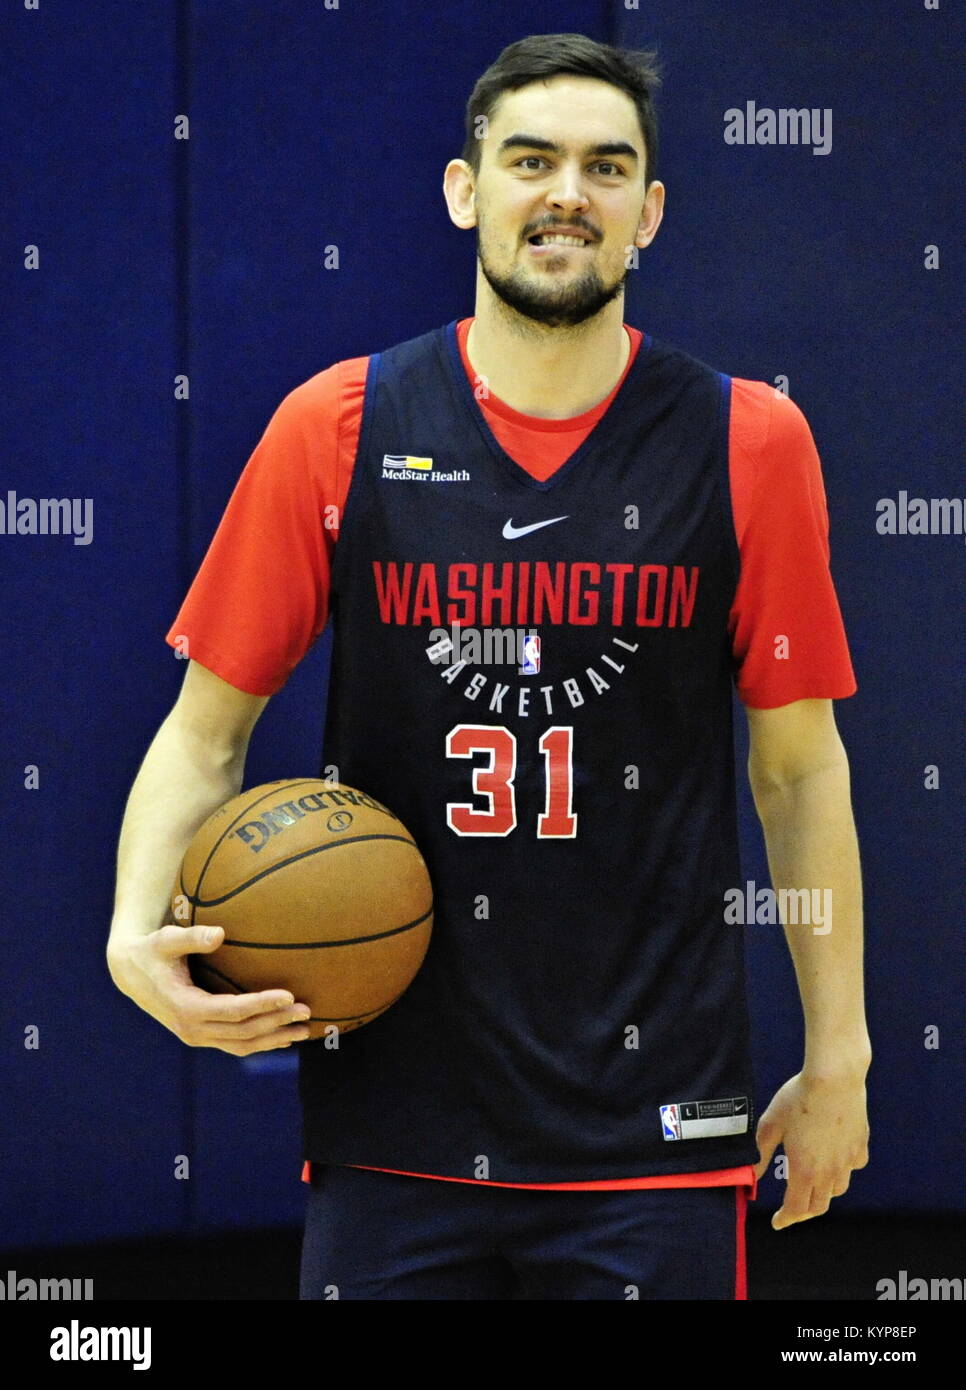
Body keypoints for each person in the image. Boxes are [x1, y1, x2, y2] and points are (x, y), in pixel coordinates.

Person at [107, 33, 871, 1300]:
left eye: (605, 167)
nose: (567, 192)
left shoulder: (751, 441)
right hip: (398, 1115)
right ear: (467, 191)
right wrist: (139, 927)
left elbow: (798, 771)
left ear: (649, 213)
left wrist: (839, 1053)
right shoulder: (338, 427)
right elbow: (204, 734)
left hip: (659, 1123)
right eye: (531, 160)